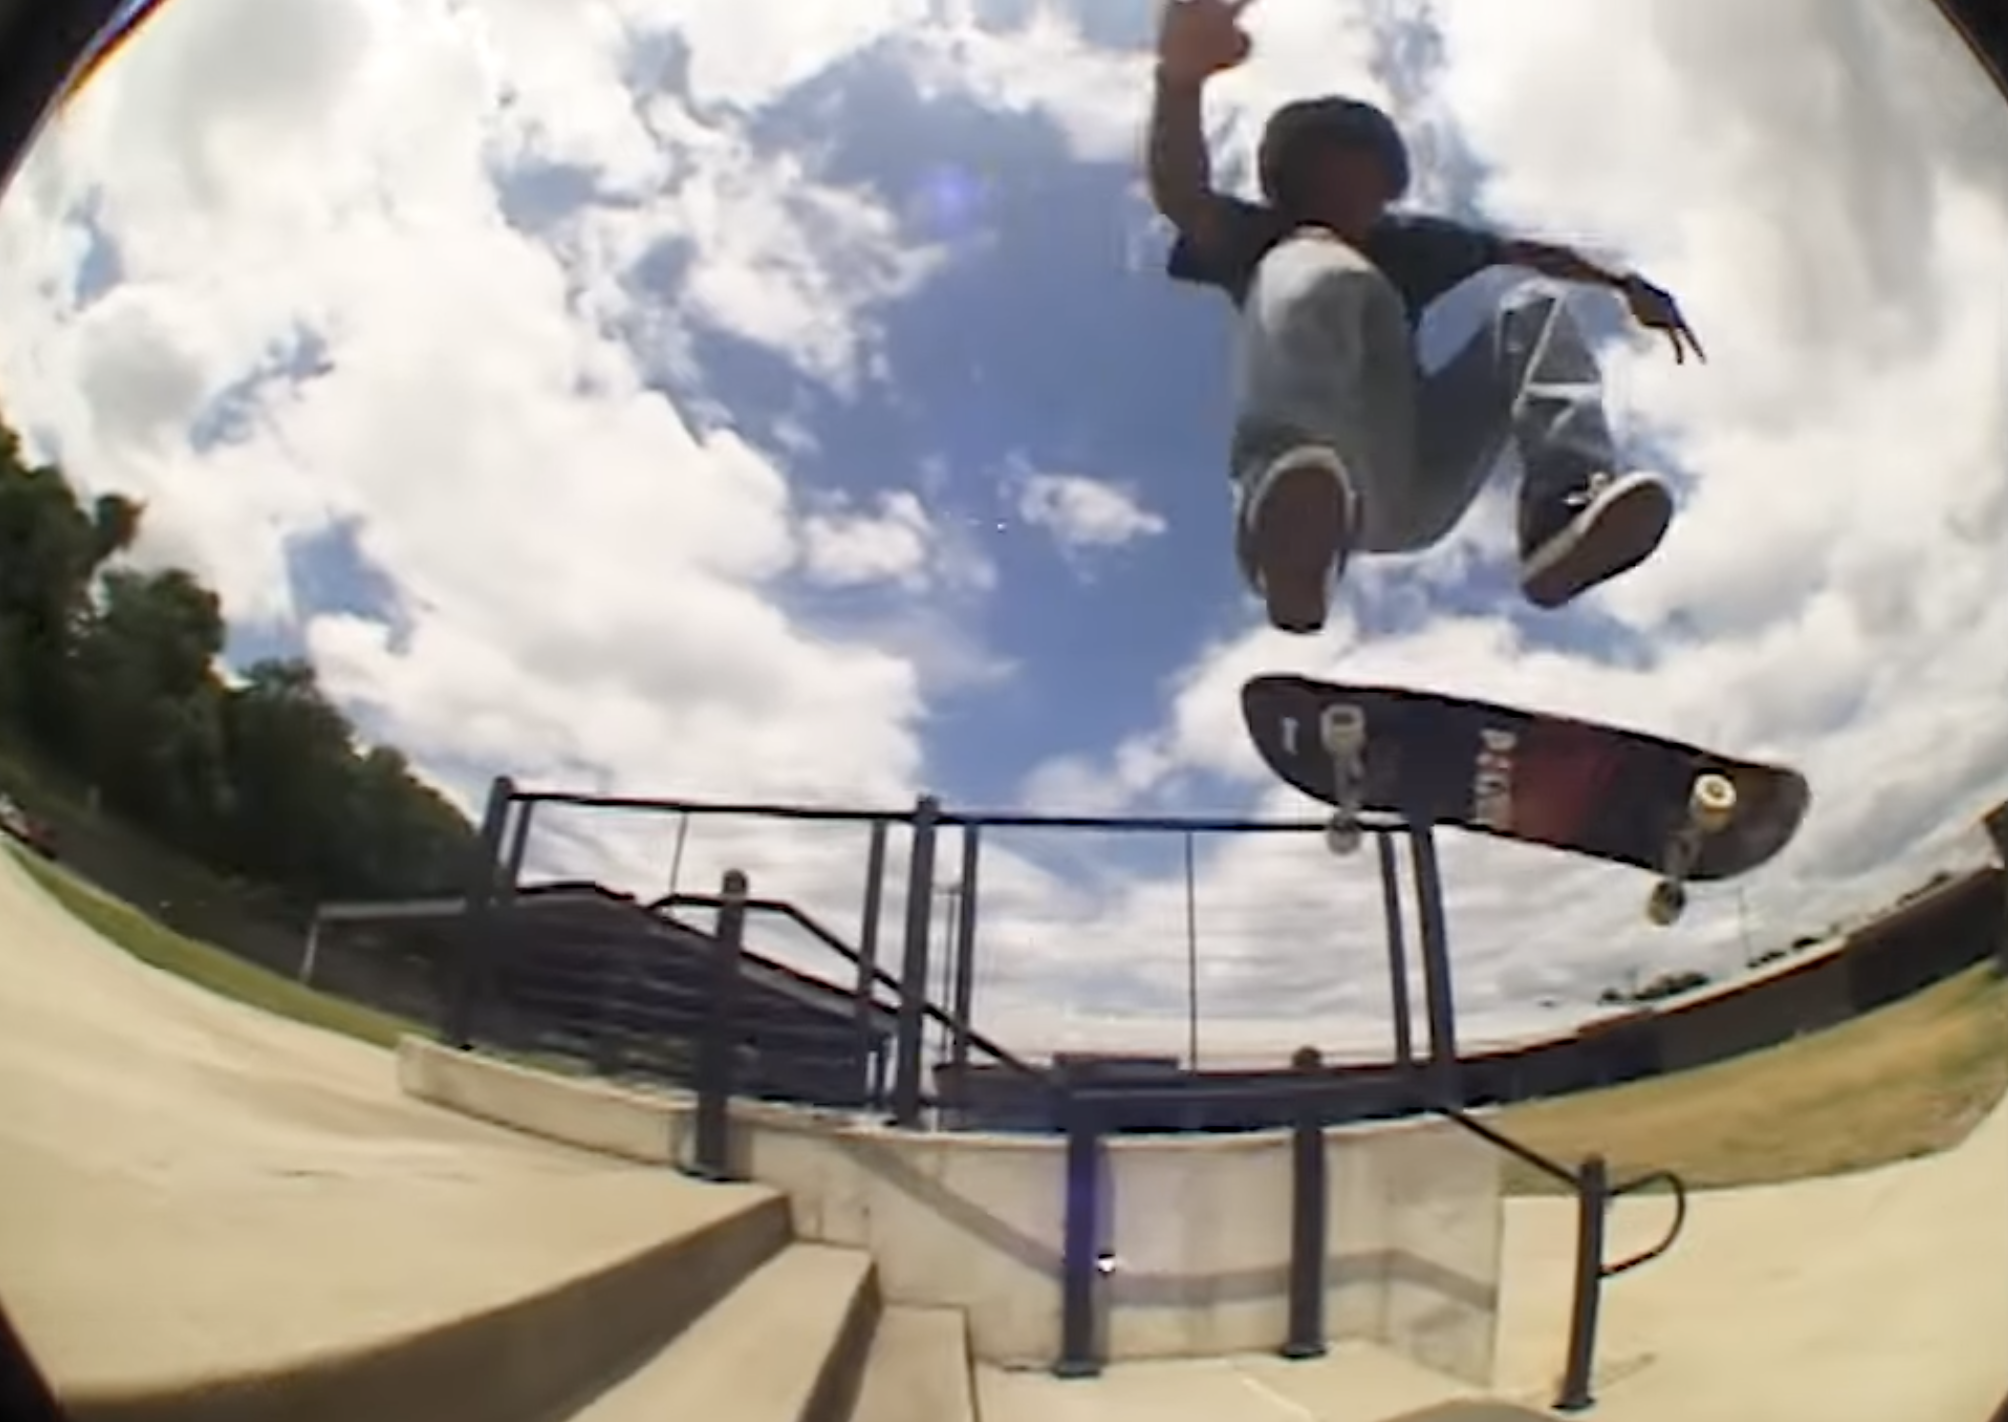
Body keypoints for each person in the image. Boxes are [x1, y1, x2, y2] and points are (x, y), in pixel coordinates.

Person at [1147, 0, 1706, 634]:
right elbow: (1182, 194)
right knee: (1305, 256)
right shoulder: (1258, 234)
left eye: (1362, 193)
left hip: (1415, 480)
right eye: (1329, 190)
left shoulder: (1413, 244)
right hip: (1325, 475)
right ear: (1286, 188)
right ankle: (1287, 524)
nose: (1349, 209)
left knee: (1532, 310)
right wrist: (1179, 82)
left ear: (1384, 191)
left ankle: (1561, 506)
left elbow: (1524, 252)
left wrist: (1621, 282)